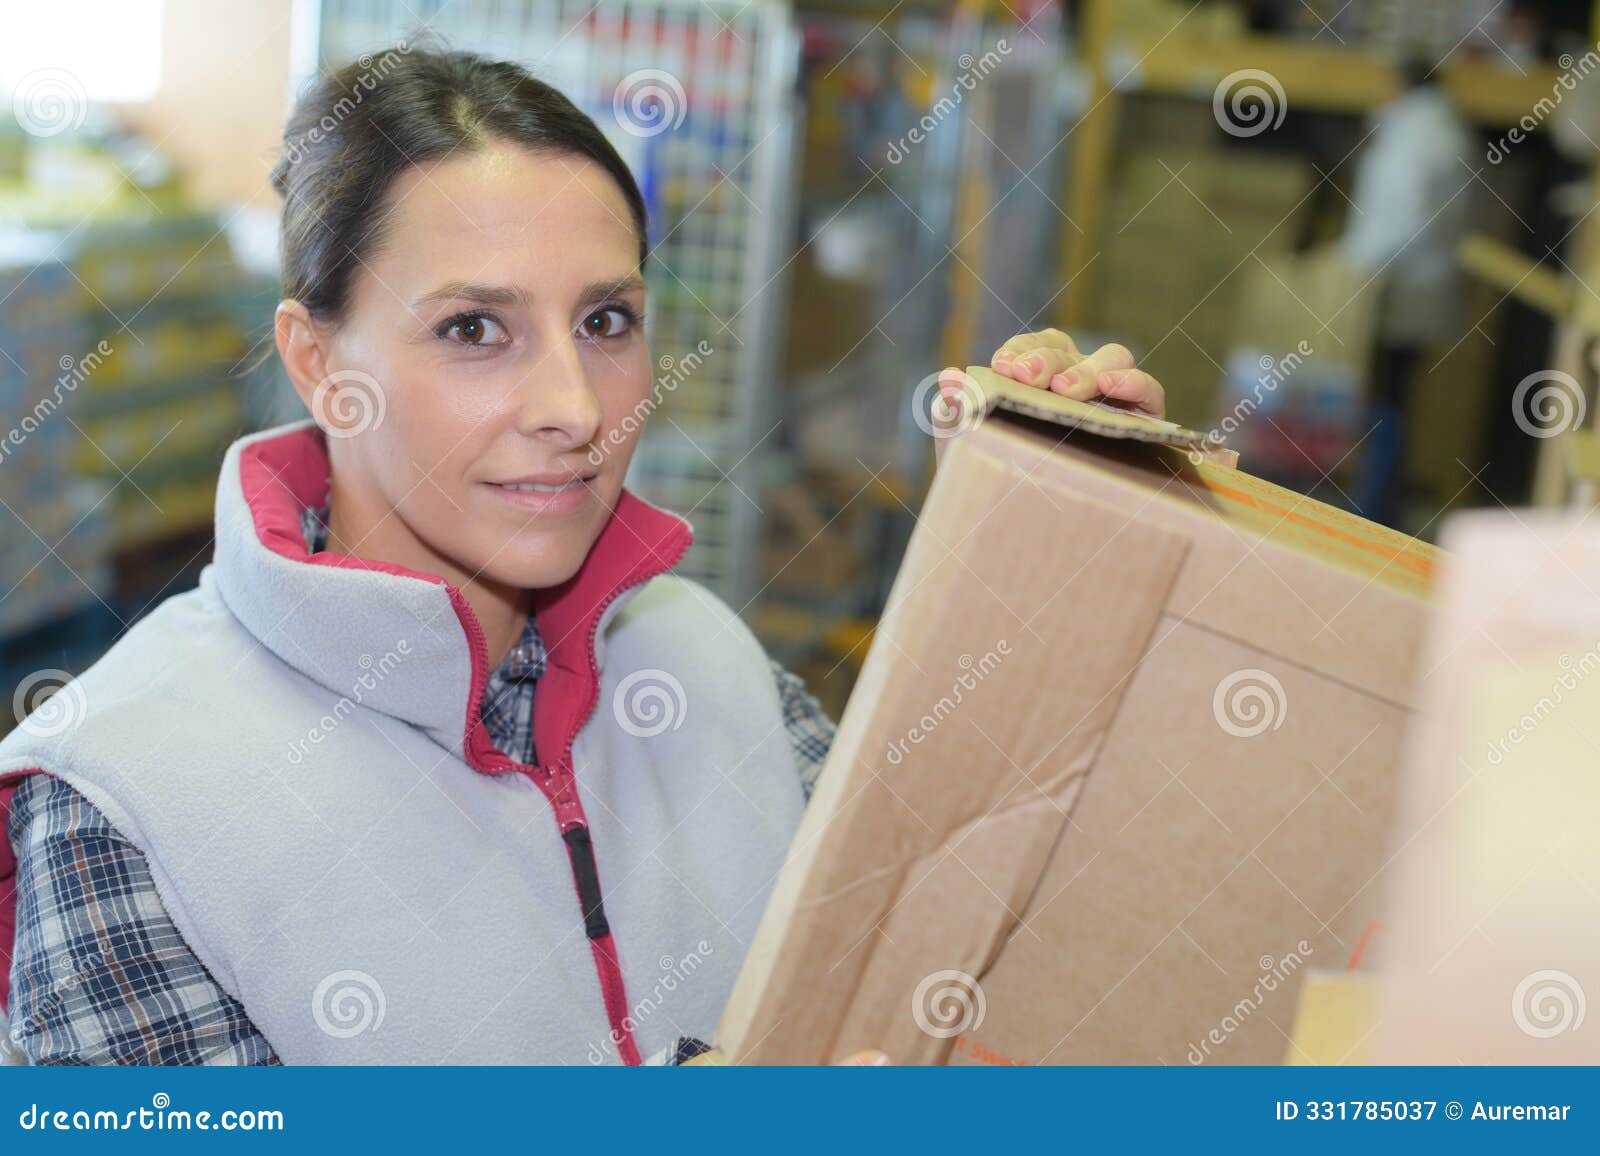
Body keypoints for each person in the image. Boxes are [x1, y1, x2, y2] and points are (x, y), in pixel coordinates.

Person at [0, 47, 1166, 1066]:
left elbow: (993, 941)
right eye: (473, 330)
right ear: (315, 361)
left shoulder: (704, 661)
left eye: (605, 322)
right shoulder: (124, 795)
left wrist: (1072, 544)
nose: (573, 404)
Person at [1342, 53, 1473, 526]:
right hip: (1419, 288)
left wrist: (1350, 268)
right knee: (1392, 399)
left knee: (1384, 401)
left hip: (1398, 287)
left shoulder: (1416, 138)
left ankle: (1372, 509)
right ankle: (1377, 503)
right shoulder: (1442, 130)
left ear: (1401, 83)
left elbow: (1403, 219)